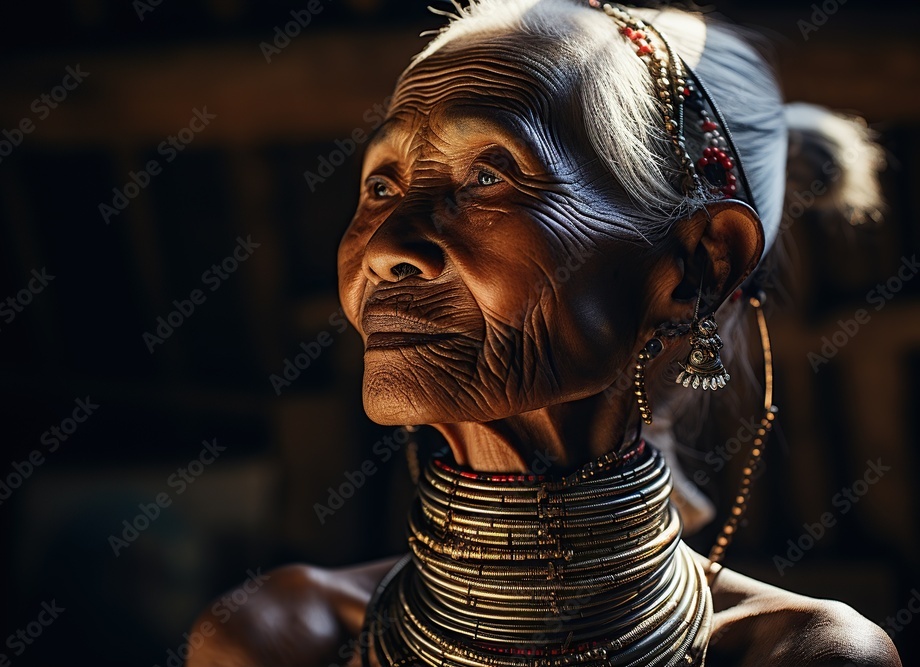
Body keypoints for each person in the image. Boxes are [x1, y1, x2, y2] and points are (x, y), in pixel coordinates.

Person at [188, 1, 898, 665]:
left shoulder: (803, 654)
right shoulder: (271, 638)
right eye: (382, 185)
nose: (386, 246)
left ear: (698, 265)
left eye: (488, 173)